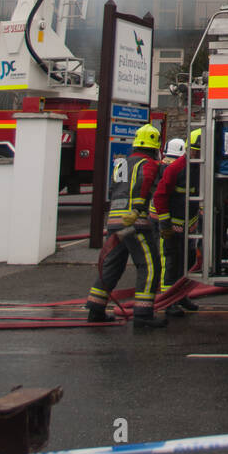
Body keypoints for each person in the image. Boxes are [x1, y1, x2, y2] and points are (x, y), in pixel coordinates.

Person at [87, 123, 167, 330]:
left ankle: (95, 309)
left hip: (115, 221)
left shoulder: (121, 163)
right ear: (155, 145)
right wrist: (139, 209)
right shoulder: (147, 164)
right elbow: (144, 182)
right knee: (150, 265)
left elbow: (114, 189)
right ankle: (143, 314)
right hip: (135, 222)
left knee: (112, 265)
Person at [151, 128, 202, 316]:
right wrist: (165, 224)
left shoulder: (201, 167)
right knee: (171, 262)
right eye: (195, 150)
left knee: (186, 262)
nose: (197, 154)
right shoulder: (176, 168)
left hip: (188, 226)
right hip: (171, 225)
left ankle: (181, 296)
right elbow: (160, 197)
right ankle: (168, 300)